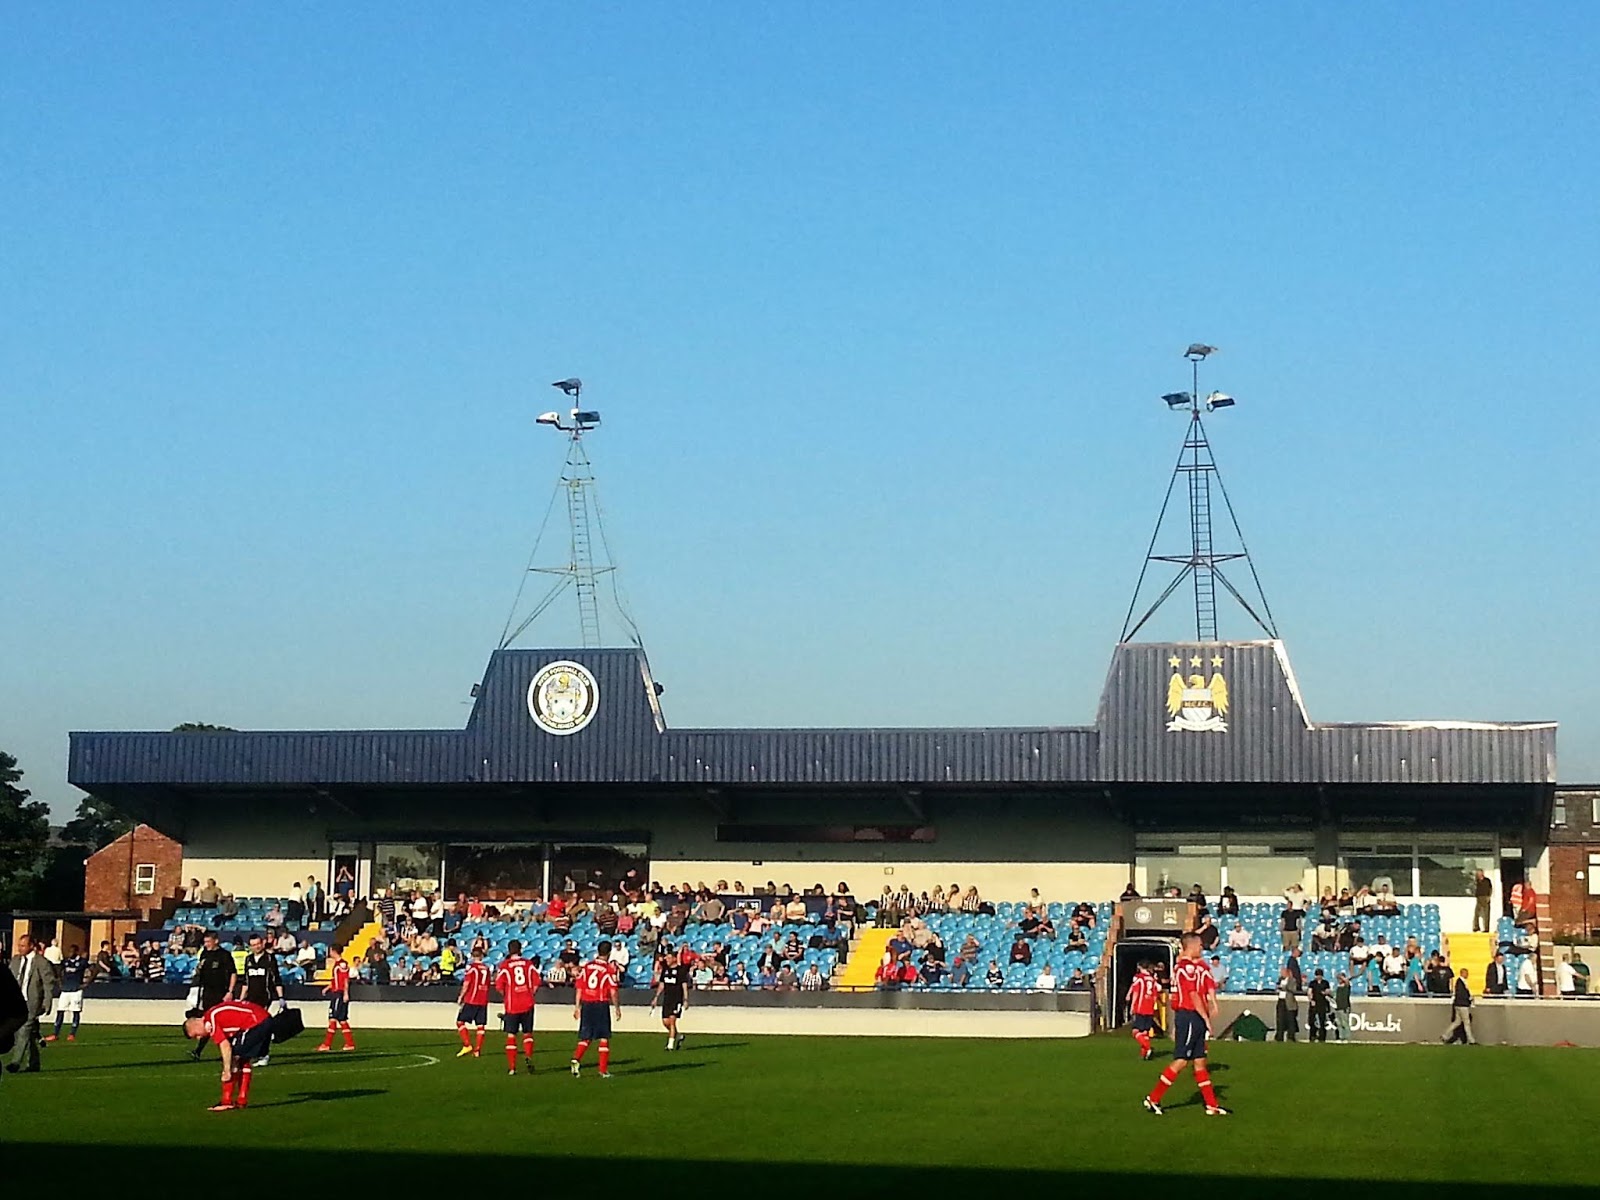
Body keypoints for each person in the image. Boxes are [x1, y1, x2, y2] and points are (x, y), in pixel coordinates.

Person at [1144, 933, 1229, 1117]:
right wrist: (1206, 1019)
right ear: (1191, 946)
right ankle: (1153, 1098)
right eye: (1199, 945)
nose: (1201, 948)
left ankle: (1211, 1105)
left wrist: (1213, 1004)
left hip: (1194, 1015)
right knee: (1182, 1060)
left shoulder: (1196, 967)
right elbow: (1193, 995)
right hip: (1189, 1015)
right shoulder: (1184, 968)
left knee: (1200, 1062)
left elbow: (1207, 985)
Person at [184, 997, 272, 1110]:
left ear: (195, 1025)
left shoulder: (211, 1020)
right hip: (262, 1019)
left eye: (196, 1034)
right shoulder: (211, 1015)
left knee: (234, 1058)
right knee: (242, 1059)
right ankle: (241, 1100)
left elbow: (225, 1046)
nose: (199, 1038)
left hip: (256, 1022)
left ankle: (227, 1101)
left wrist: (226, 1070)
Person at [571, 940, 623, 1079]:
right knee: (604, 1037)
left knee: (586, 1036)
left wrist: (577, 1007)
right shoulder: (608, 969)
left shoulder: (587, 967)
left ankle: (576, 1058)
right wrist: (617, 1007)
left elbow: (579, 988)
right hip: (600, 1004)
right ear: (609, 952)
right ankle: (603, 1070)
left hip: (587, 1004)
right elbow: (613, 991)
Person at [493, 940, 540, 1075]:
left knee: (511, 1035)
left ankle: (512, 1068)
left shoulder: (505, 966)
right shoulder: (528, 964)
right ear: (520, 950)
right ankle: (529, 1056)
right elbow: (537, 982)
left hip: (512, 1005)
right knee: (528, 1033)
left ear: (509, 950)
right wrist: (530, 994)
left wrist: (508, 995)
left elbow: (499, 986)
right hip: (528, 1003)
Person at [188, 931, 237, 1060]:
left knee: (224, 1023)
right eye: (205, 942)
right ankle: (198, 1050)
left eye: (208, 942)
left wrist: (230, 992)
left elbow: (233, 973)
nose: (206, 944)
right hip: (207, 993)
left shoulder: (224, 955)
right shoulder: (204, 953)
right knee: (208, 1022)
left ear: (216, 941)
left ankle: (230, 1051)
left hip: (221, 992)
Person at [236, 935, 284, 1064]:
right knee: (249, 1027)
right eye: (253, 945)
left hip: (264, 997)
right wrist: (241, 999)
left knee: (261, 1026)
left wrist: (281, 997)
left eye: (258, 944)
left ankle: (264, 1054)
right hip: (251, 998)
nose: (256, 947)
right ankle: (250, 1052)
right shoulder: (248, 959)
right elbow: (245, 982)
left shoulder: (269, 958)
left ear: (262, 943)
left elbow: (276, 979)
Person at [6, 934, 49, 1073]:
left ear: (31, 946)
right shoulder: (15, 961)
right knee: (25, 1033)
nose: (20, 948)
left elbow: (48, 984)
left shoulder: (41, 962)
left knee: (24, 1030)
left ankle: (15, 1062)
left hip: (32, 1002)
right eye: (19, 945)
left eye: (23, 945)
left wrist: (47, 1002)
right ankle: (34, 1063)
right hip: (15, 1002)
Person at [315, 948, 356, 1052]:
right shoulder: (337, 964)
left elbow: (345, 979)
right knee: (342, 1019)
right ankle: (350, 1043)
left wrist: (346, 993)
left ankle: (327, 1044)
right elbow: (335, 980)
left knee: (333, 1018)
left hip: (339, 994)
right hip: (337, 992)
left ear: (334, 951)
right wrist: (327, 988)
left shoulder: (342, 964)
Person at [652, 946, 691, 1050]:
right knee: (665, 1022)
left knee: (672, 1020)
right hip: (667, 998)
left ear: (674, 959)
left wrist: (686, 999)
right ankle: (678, 1036)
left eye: (669, 958)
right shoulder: (665, 970)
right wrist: (656, 997)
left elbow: (684, 985)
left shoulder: (681, 971)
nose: (667, 960)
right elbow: (662, 984)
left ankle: (670, 1045)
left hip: (676, 999)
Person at [455, 947, 491, 1058]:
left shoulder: (471, 967)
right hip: (483, 999)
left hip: (472, 999)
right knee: (480, 1025)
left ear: (472, 955)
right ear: (482, 956)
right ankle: (477, 1050)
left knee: (460, 1022)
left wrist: (461, 996)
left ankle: (467, 1045)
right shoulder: (486, 968)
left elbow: (467, 983)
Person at [48, 944, 88, 1043]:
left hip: (76, 990)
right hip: (65, 990)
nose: (70, 953)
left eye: (72, 951)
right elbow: (58, 970)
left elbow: (94, 969)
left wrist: (87, 983)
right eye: (69, 951)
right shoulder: (65, 962)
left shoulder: (82, 962)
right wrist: (60, 982)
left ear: (76, 952)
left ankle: (72, 1034)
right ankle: (55, 1034)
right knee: (60, 1010)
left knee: (75, 1011)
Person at [1126, 961, 1160, 1060]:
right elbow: (1156, 992)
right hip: (1149, 1007)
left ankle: (1148, 1048)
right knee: (1144, 1032)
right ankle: (1144, 1053)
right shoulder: (1152, 979)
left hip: (1141, 1006)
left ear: (1139, 967)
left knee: (1135, 1031)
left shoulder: (1139, 978)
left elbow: (1136, 992)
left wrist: (1132, 1005)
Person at [1442, 968, 1476, 1044]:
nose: (1467, 975)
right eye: (1466, 973)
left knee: (1457, 1022)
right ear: (1462, 973)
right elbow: (1462, 994)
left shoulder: (1460, 982)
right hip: (1462, 1005)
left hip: (1458, 1004)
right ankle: (1471, 1040)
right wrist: (1469, 1000)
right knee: (1466, 1023)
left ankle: (1445, 1035)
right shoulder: (1460, 983)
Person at [1307, 968, 1331, 1042]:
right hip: (1314, 1003)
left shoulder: (1325, 983)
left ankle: (1322, 1037)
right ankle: (1312, 1036)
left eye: (1320, 975)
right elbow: (1309, 992)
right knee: (1312, 1021)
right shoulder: (1312, 983)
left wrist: (1325, 993)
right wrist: (1311, 1000)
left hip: (1322, 1004)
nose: (1318, 977)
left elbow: (1328, 991)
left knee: (1322, 1021)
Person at [1332, 971, 1351, 1042]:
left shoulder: (1346, 987)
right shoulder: (1337, 988)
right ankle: (1341, 1037)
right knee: (1339, 1023)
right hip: (1338, 1007)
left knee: (1345, 1023)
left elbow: (1347, 982)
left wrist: (1342, 977)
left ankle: (1346, 1037)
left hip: (1344, 1007)